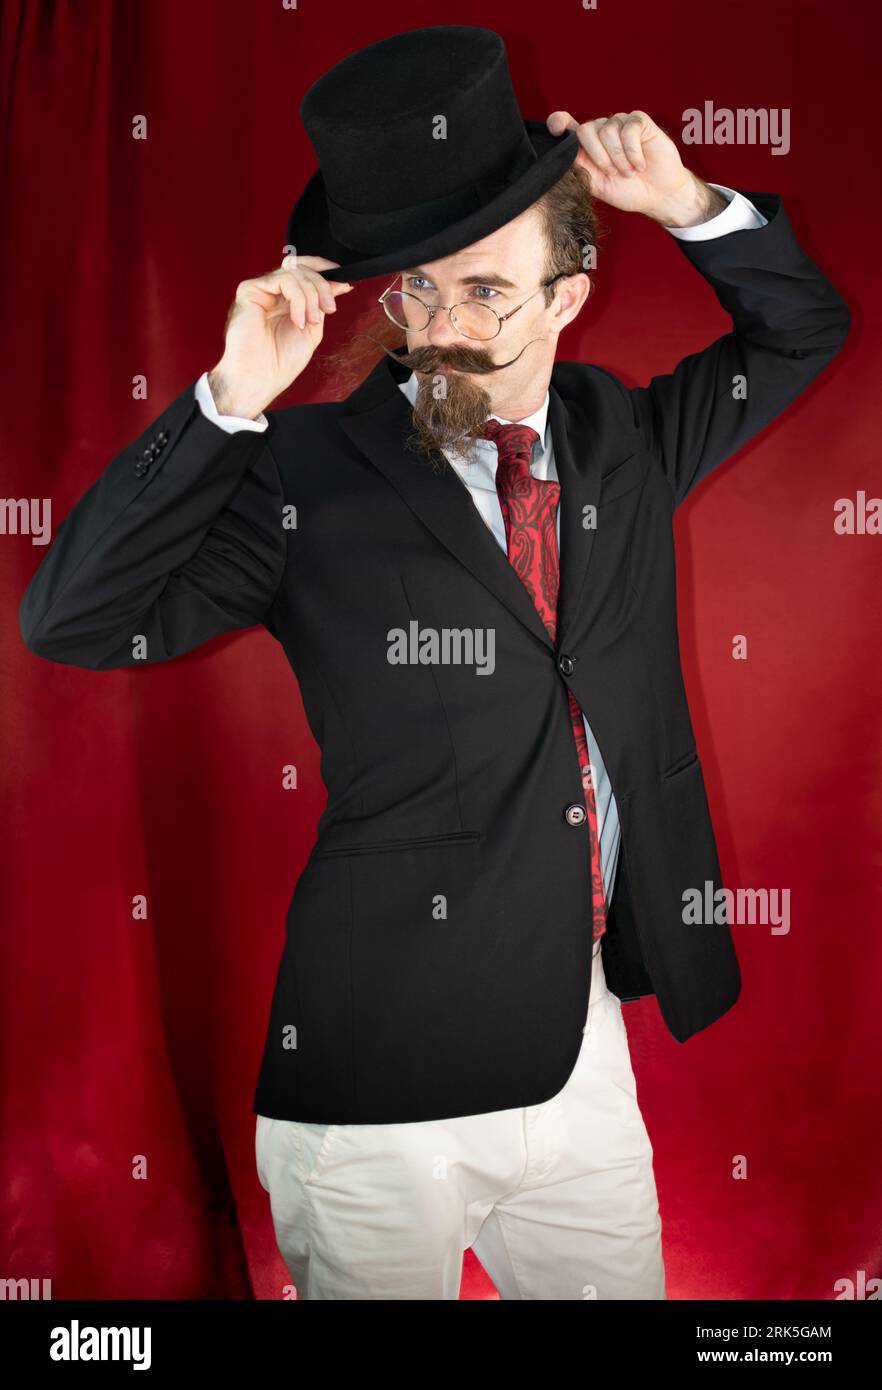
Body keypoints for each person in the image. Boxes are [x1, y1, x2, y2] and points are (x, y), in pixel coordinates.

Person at [19, 27, 850, 1300]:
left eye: (484, 290)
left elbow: (802, 331)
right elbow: (72, 618)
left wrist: (688, 203)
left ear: (570, 295)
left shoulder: (621, 438)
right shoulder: (303, 472)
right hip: (375, 1089)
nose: (440, 328)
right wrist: (228, 400)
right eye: (418, 291)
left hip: (577, 1051)